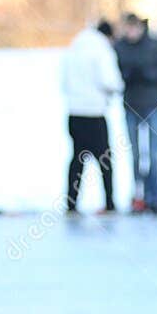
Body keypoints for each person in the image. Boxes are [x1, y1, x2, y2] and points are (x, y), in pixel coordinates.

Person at [60, 18, 123, 215]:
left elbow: (63, 82)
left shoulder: (73, 49)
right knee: (104, 159)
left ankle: (71, 201)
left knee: (77, 159)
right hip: (95, 113)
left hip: (74, 113)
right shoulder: (102, 51)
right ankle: (110, 202)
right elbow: (111, 81)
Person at [114, 13, 157, 213]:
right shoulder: (119, 47)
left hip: (154, 104)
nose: (131, 32)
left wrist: (148, 75)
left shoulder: (154, 46)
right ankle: (138, 195)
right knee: (136, 153)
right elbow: (113, 73)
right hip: (131, 105)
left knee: (155, 153)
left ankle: (155, 195)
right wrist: (127, 76)